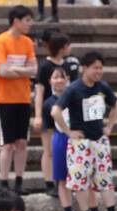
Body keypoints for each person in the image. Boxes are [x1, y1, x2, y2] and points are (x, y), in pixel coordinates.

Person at [52, 51, 117, 211]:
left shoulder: (102, 87)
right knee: (80, 180)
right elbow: (55, 111)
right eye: (95, 68)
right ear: (85, 68)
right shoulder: (73, 89)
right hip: (80, 142)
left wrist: (110, 126)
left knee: (105, 178)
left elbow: (116, 105)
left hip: (99, 139)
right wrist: (69, 132)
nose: (99, 72)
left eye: (101, 68)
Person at [0, 6, 37, 194]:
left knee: (22, 142)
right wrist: (23, 71)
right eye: (27, 20)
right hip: (4, 99)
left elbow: (34, 70)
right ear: (16, 21)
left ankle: (19, 181)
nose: (30, 24)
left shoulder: (27, 42)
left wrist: (15, 70)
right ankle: (3, 182)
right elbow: (1, 71)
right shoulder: (1, 41)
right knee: (7, 144)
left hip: (23, 98)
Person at [34, 32, 79, 198]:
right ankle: (49, 182)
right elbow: (39, 91)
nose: (69, 48)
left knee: (66, 148)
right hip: (49, 108)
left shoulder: (68, 64)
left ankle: (66, 180)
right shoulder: (45, 65)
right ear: (61, 47)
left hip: (66, 110)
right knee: (49, 149)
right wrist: (38, 115)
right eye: (67, 45)